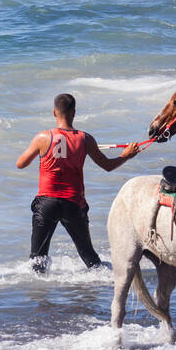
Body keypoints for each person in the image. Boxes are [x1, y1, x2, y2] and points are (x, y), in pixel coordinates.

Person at [16, 93, 141, 273]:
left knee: (37, 260)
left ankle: (39, 298)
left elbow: (20, 164)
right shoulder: (85, 139)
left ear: (54, 113)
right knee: (91, 260)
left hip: (46, 203)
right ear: (74, 113)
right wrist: (126, 156)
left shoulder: (43, 137)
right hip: (73, 204)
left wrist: (41, 153)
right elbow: (107, 166)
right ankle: (109, 283)